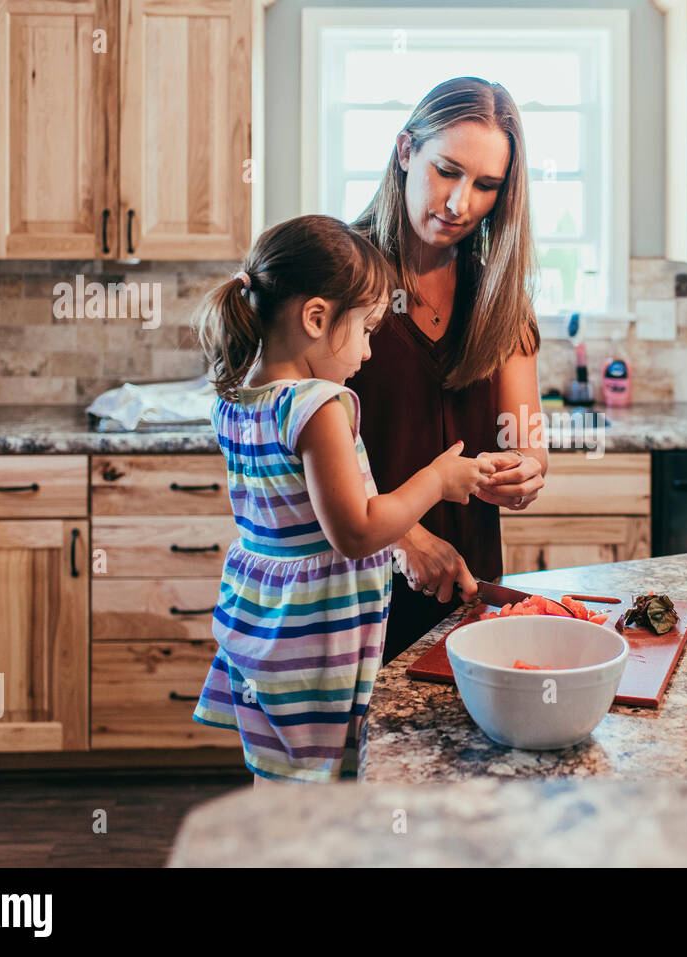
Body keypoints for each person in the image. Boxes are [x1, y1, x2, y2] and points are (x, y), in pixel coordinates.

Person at [190, 215, 494, 784]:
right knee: (308, 794)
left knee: (281, 783)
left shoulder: (236, 396)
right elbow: (355, 531)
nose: (369, 351)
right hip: (311, 634)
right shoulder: (319, 405)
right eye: (367, 329)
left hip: (263, 621)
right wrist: (436, 479)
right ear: (315, 317)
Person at [349, 77, 548, 663]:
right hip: (352, 595)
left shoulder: (500, 295)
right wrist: (402, 538)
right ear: (407, 151)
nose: (461, 203)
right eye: (447, 171)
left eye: (486, 185)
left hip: (467, 590)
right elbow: (293, 447)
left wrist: (526, 470)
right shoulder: (338, 277)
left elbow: (525, 438)